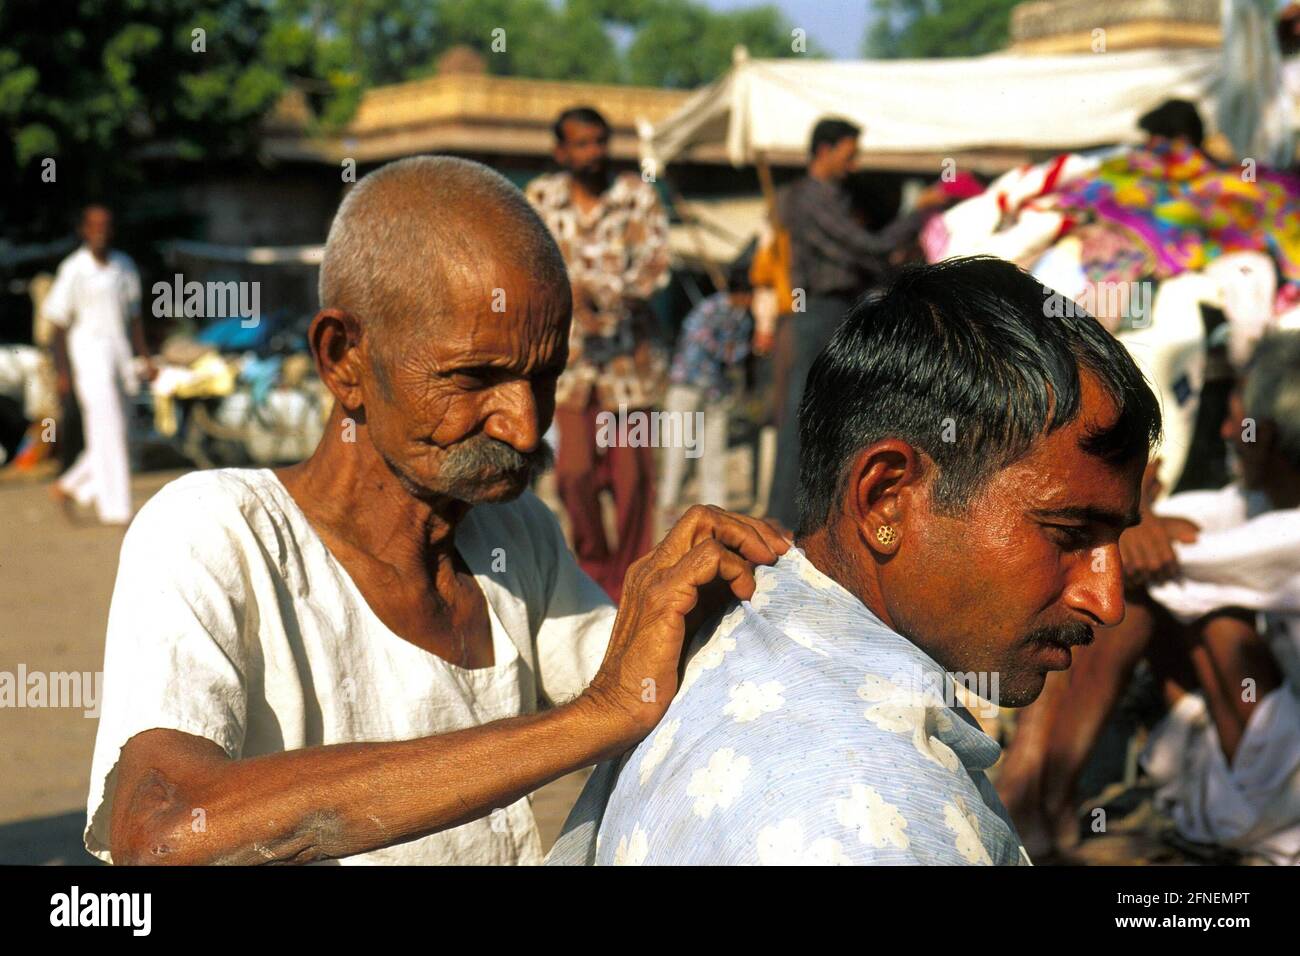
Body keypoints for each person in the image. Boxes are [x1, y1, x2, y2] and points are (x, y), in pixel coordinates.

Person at [85, 157, 789, 866]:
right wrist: (593, 718)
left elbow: (646, 689)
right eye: (474, 378)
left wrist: (744, 602)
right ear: (344, 360)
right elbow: (163, 835)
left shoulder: (515, 537)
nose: (523, 426)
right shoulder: (216, 534)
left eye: (543, 378)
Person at [549, 256, 1160, 865]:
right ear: (885, 499)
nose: (1106, 601)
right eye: (1069, 533)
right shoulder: (868, 826)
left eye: (1114, 540)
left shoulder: (735, 633)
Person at [998, 331, 1300, 864]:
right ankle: (1035, 788)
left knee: (1150, 589)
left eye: (1238, 420)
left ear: (1267, 437)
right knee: (1126, 576)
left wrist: (1132, 520)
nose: (1227, 432)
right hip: (1253, 748)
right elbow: (1187, 524)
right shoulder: (1253, 500)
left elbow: (1184, 557)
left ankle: (1036, 789)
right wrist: (1134, 519)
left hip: (1284, 786)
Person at [525, 106, 672, 600]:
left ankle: (633, 587)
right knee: (573, 476)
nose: (594, 153)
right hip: (569, 370)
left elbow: (656, 267)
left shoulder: (636, 196)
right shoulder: (540, 199)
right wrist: (570, 294)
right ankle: (592, 574)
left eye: (600, 142)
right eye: (582, 144)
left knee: (634, 485)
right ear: (560, 151)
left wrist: (603, 296)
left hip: (631, 367)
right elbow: (526, 262)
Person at [767, 117, 921, 530]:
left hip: (834, 310)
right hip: (818, 312)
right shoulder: (808, 198)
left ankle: (814, 516)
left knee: (831, 414)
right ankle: (786, 519)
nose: (853, 165)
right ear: (825, 150)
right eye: (848, 155)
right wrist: (919, 215)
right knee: (806, 413)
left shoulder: (828, 196)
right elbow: (867, 247)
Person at [44, 205, 155, 524]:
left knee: (120, 431)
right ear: (84, 230)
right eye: (94, 226)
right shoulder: (74, 269)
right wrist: (62, 373)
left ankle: (69, 484)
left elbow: (134, 318)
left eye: (105, 225)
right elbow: (57, 325)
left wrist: (144, 356)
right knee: (107, 429)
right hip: (89, 358)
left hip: (119, 355)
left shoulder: (123, 266)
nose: (100, 231)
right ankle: (116, 509)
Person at [658, 260, 754, 520]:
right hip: (687, 385)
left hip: (716, 392)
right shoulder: (710, 309)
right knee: (678, 446)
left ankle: (715, 507)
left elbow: (738, 353)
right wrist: (728, 351)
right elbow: (697, 339)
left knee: (713, 450)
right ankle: (669, 503)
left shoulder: (742, 318)